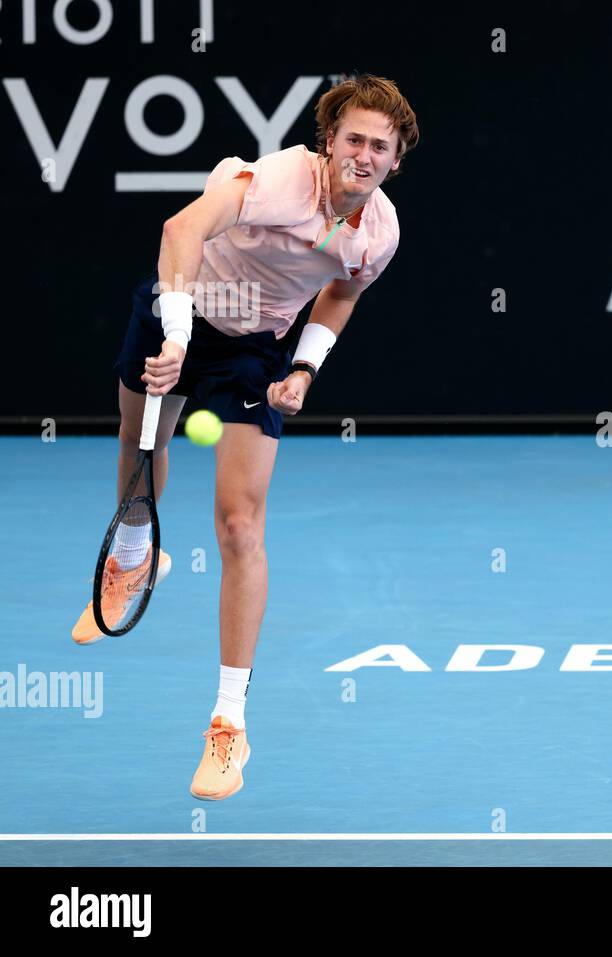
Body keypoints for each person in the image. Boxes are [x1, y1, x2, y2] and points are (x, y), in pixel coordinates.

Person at [71, 73, 419, 801]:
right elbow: (180, 230)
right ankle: (136, 555)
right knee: (141, 443)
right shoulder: (277, 181)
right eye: (352, 138)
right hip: (183, 309)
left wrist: (304, 369)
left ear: (394, 161)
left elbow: (342, 291)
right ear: (329, 142)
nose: (362, 153)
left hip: (255, 348)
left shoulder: (379, 234)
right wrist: (174, 334)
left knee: (239, 525)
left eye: (378, 146)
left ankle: (229, 724)